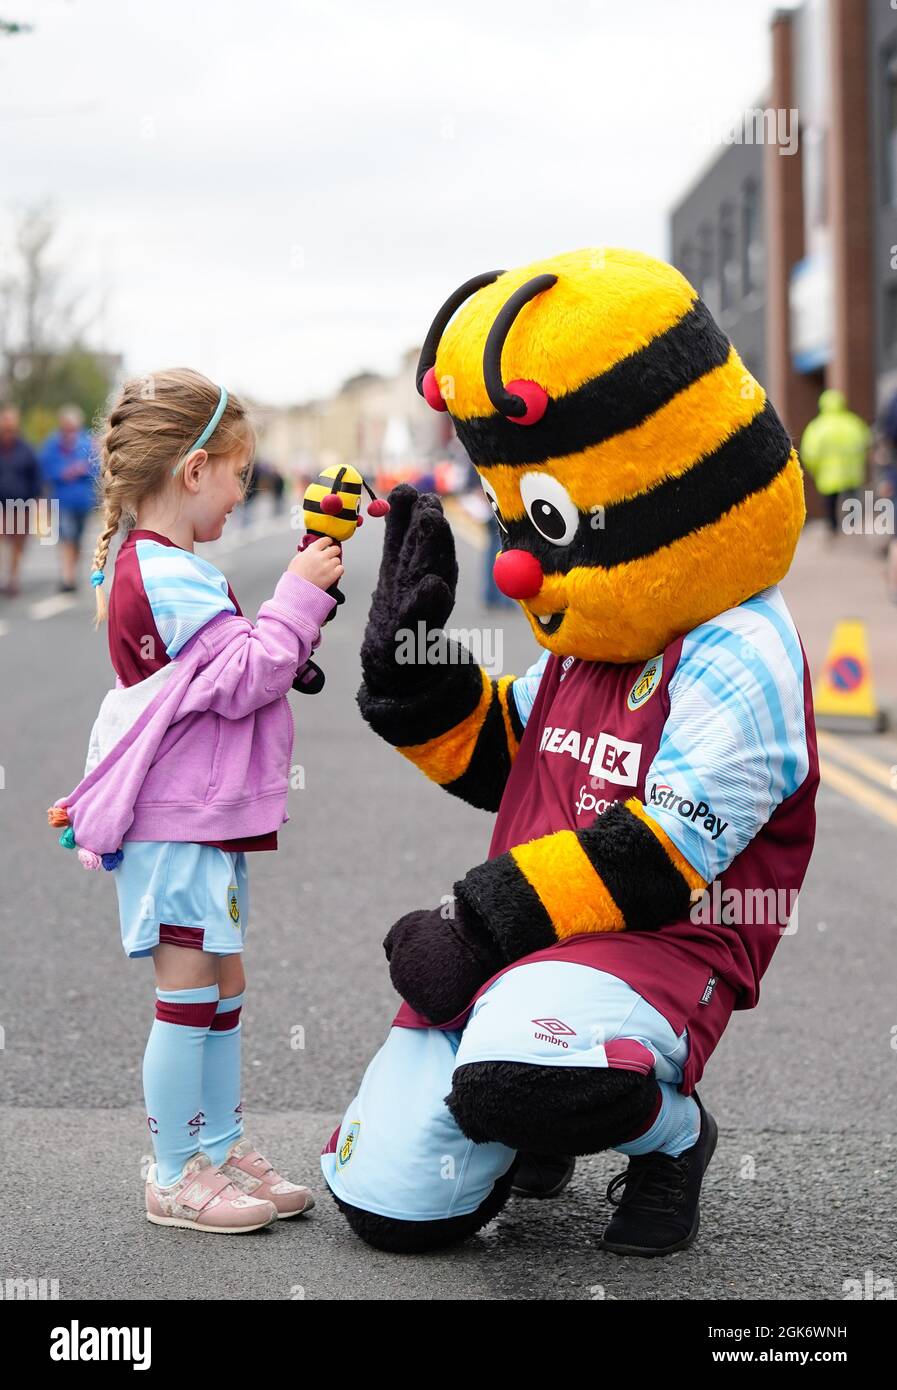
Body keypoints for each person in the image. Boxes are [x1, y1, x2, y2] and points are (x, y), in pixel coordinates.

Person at [323, 248, 818, 1258]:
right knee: (389, 1201)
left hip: (662, 942)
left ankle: (674, 1136)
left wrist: (474, 923)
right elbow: (520, 754)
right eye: (516, 517)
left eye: (542, 519)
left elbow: (658, 852)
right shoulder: (593, 632)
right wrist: (416, 680)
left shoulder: (739, 643)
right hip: (535, 940)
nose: (516, 558)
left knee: (529, 1072)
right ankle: (527, 1118)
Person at [49, 368, 342, 1233]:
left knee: (222, 983)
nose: (241, 494)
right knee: (188, 989)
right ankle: (177, 1172)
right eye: (238, 477)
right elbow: (248, 673)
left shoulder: (158, 563)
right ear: (193, 470)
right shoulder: (169, 574)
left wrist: (294, 609)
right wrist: (300, 590)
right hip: (176, 821)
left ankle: (217, 1147)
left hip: (200, 818)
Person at [40, 404, 98, 591]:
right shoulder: (52, 444)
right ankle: (67, 577)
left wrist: (83, 470)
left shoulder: (88, 442)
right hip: (61, 499)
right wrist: (63, 472)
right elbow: (44, 469)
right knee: (66, 537)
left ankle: (72, 572)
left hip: (82, 499)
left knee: (77, 538)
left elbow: (98, 469)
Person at [799, 388, 870, 537]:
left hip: (828, 476)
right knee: (852, 500)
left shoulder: (817, 427)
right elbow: (866, 443)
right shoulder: (854, 423)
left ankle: (833, 529)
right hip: (852, 473)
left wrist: (815, 470)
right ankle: (853, 526)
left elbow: (809, 453)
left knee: (830, 503)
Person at [0, 405, 42, 596]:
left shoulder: (26, 450)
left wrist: (37, 500)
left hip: (21, 504)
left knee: (17, 544)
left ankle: (13, 579)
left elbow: (35, 477)